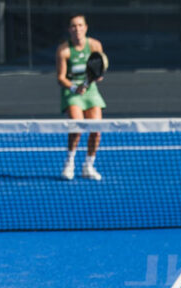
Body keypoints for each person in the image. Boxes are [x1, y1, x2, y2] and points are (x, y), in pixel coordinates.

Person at [56, 14, 105, 181]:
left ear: (86, 27)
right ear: (69, 29)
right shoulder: (64, 50)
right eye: (73, 26)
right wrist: (74, 87)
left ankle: (88, 166)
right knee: (77, 128)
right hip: (72, 92)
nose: (77, 29)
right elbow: (60, 78)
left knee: (96, 130)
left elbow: (99, 68)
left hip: (90, 91)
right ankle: (69, 163)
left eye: (80, 25)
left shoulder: (95, 45)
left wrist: (97, 76)